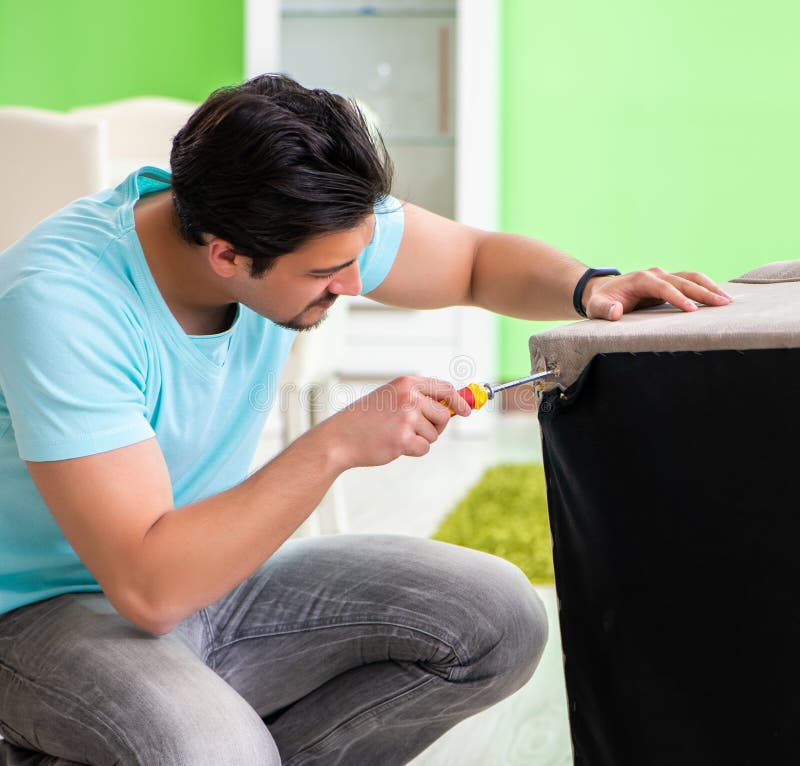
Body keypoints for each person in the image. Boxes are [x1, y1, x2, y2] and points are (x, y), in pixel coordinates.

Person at [0, 74, 732, 765]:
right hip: (46, 613)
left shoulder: (296, 212)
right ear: (226, 254)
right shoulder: (63, 305)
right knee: (215, 753)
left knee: (499, 619)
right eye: (326, 275)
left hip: (211, 573)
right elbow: (150, 589)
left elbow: (473, 262)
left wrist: (591, 286)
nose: (354, 286)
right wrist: (337, 444)